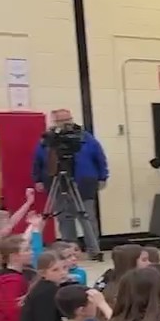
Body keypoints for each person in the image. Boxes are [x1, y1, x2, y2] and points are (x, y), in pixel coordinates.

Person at [31, 108, 107, 259]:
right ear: (55, 122)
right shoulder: (48, 140)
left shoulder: (85, 137)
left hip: (84, 183)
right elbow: (38, 160)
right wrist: (37, 179)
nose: (66, 123)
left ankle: (94, 250)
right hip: (57, 182)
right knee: (64, 218)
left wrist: (103, 177)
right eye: (61, 121)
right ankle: (69, 251)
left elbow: (99, 157)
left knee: (87, 217)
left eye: (68, 120)